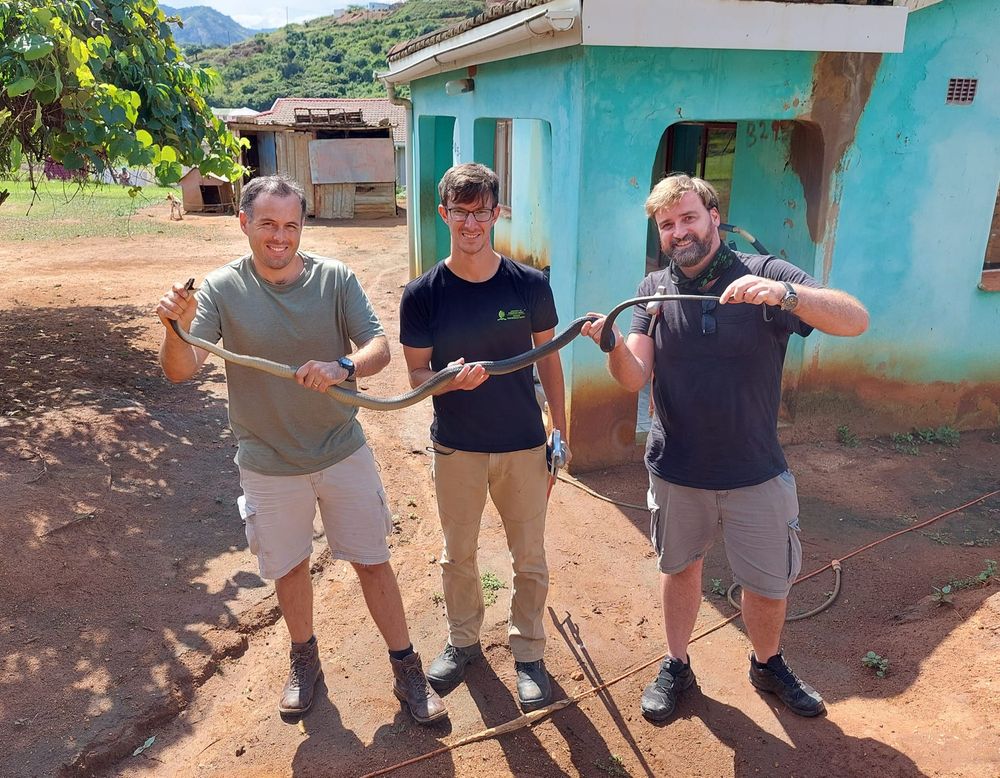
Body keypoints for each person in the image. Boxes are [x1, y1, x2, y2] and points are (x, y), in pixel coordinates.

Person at [155, 175, 446, 724]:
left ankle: (406, 666)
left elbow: (379, 347)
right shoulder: (221, 289)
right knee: (289, 567)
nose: (280, 236)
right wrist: (176, 328)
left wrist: (343, 367)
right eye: (267, 223)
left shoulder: (334, 278)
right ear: (244, 223)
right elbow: (180, 370)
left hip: (341, 449)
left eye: (291, 224)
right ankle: (304, 660)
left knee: (372, 561)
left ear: (302, 226)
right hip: (267, 461)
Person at [582, 173, 868, 722]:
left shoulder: (765, 274)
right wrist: (611, 345)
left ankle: (767, 663)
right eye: (667, 224)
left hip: (755, 468)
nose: (678, 232)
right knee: (679, 568)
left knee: (767, 583)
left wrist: (787, 295)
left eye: (688, 217)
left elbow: (855, 320)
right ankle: (676, 664)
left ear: (714, 217)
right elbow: (634, 374)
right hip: (677, 467)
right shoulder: (653, 290)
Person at [399, 163, 569, 712]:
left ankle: (529, 654)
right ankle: (464, 641)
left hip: (523, 444)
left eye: (481, 212)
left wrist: (560, 430)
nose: (470, 223)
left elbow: (550, 361)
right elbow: (416, 376)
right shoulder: (422, 295)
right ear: (443, 214)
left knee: (529, 556)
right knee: (458, 555)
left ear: (497, 214)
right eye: (460, 212)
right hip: (457, 447)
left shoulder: (529, 285)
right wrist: (448, 380)